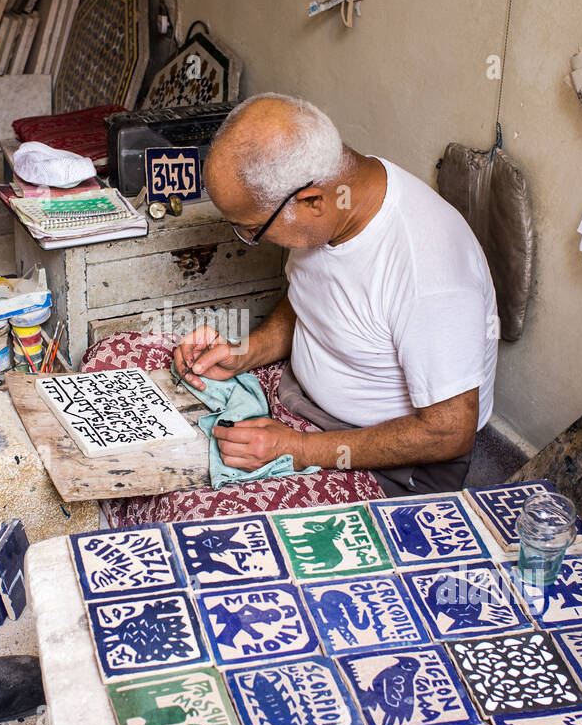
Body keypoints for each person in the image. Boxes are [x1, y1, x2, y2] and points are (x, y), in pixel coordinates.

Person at [173, 93, 498, 496]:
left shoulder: (429, 274)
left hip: (381, 459)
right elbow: (313, 298)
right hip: (299, 400)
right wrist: (247, 352)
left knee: (203, 518)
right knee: (128, 363)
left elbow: (448, 433)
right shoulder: (330, 199)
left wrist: (300, 448)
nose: (250, 239)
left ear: (311, 202)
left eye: (252, 229)